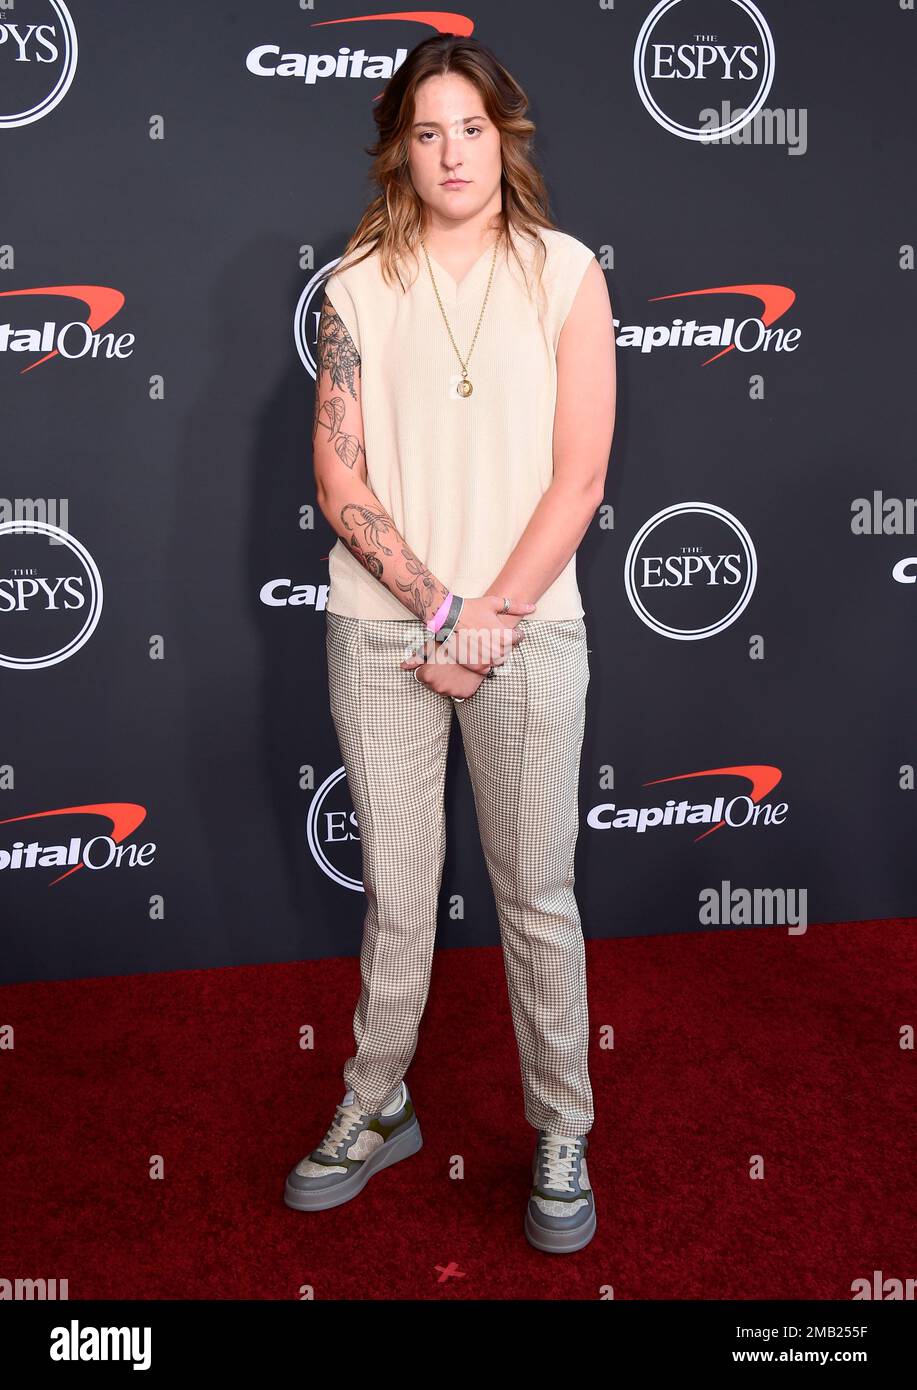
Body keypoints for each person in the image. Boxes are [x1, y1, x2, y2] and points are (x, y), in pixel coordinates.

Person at [284, 33, 616, 1255]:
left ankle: (561, 1128)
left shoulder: (566, 273)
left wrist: (483, 624)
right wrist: (435, 613)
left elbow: (579, 477)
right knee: (397, 897)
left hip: (529, 630)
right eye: (424, 132)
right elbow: (339, 475)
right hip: (383, 633)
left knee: (535, 896)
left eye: (467, 127)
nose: (448, 151)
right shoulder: (354, 286)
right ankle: (375, 1103)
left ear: (501, 136)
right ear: (398, 150)